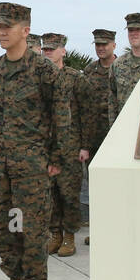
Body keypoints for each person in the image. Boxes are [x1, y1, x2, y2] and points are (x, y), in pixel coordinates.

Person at [0, 3, 70, 280]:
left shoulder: (44, 71)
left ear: (26, 30)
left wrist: (57, 157)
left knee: (31, 227)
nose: (2, 32)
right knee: (3, 226)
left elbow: (62, 117)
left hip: (31, 165)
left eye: (8, 26)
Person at [41, 33, 85, 256]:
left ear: (63, 51)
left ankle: (69, 236)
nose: (48, 52)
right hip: (45, 147)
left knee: (68, 194)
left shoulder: (74, 78)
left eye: (52, 49)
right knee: (50, 195)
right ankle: (55, 234)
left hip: (70, 146)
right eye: (45, 49)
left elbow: (86, 114)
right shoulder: (39, 78)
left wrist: (85, 146)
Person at [80, 28, 117, 247]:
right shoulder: (89, 71)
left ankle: (117, 229)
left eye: (104, 44)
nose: (101, 48)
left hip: (117, 135)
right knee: (96, 189)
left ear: (113, 44)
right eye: (97, 44)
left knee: (116, 186)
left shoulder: (121, 68)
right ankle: (99, 231)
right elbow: (85, 106)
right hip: (95, 138)